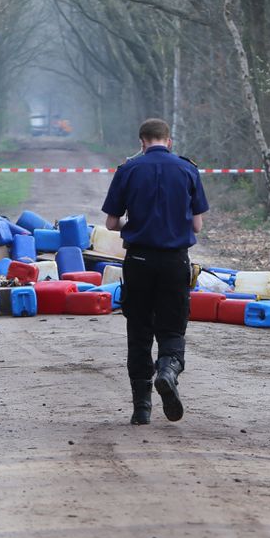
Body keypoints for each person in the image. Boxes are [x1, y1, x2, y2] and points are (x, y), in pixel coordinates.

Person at [101, 118, 208, 425]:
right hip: (175, 262)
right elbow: (197, 225)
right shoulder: (188, 170)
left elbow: (111, 223)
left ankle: (142, 408)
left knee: (138, 332)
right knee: (172, 328)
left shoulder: (128, 170)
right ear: (169, 140)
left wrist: (131, 225)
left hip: (139, 261)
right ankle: (168, 370)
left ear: (141, 142)